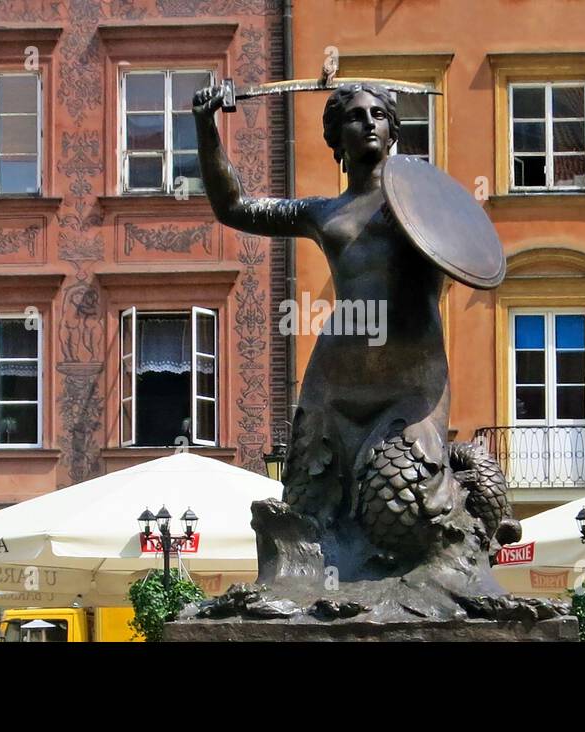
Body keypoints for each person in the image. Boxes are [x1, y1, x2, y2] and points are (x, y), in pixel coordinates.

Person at [192, 83, 456, 560]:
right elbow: (234, 207)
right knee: (306, 512)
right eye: (356, 116)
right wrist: (206, 128)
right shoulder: (323, 212)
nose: (369, 122)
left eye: (379, 114)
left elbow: (467, 253)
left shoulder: (421, 203)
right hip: (334, 381)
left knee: (411, 502)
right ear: (337, 138)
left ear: (394, 132)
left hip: (410, 379)